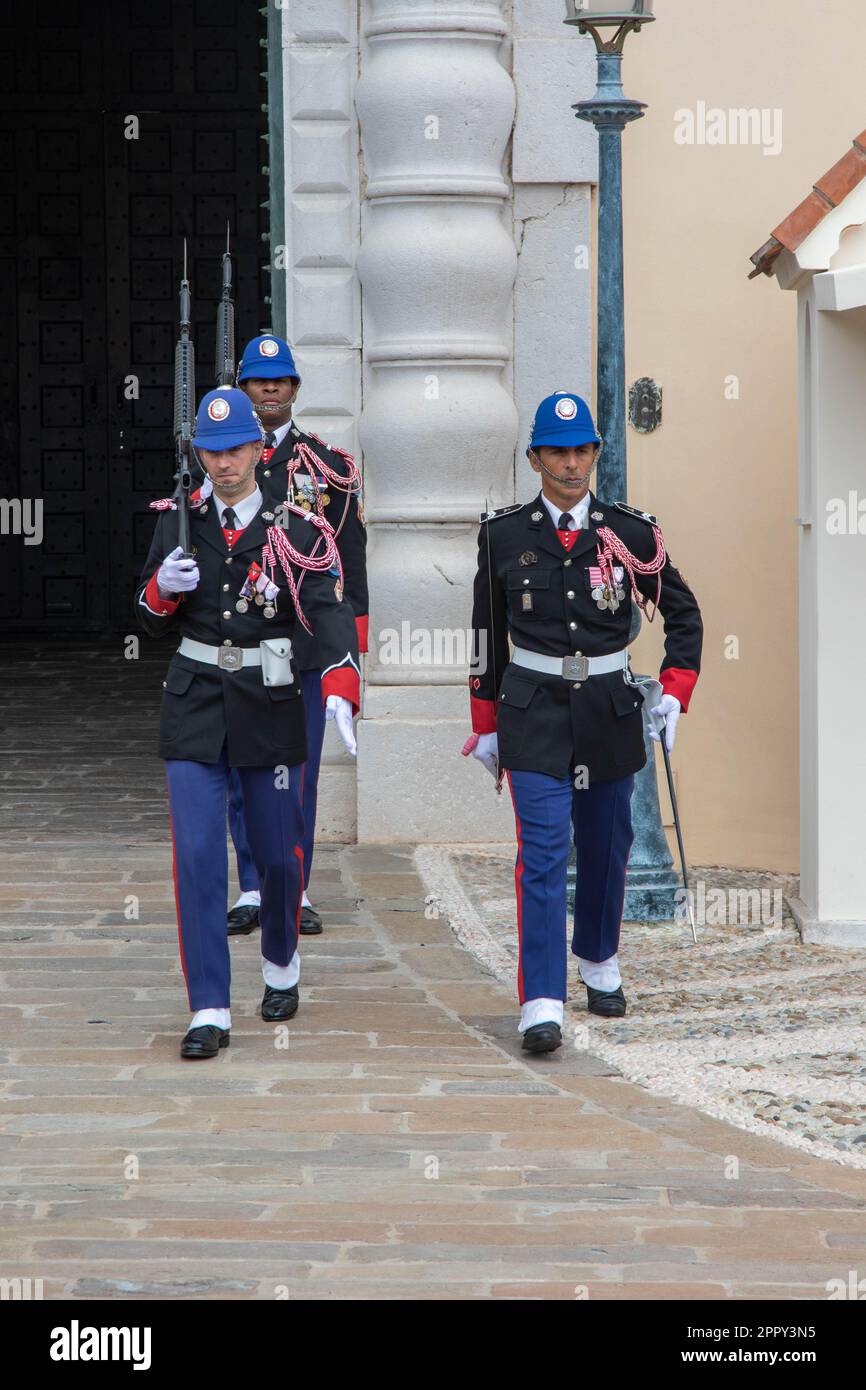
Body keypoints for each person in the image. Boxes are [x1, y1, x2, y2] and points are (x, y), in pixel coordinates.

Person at [464, 391, 702, 1055]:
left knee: (607, 844)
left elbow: (684, 614)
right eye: (557, 451)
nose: (571, 463)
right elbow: (485, 636)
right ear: (535, 456)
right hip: (533, 710)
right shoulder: (502, 535)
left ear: (596, 453)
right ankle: (541, 999)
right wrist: (484, 722)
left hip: (607, 709)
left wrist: (675, 691)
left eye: (582, 450)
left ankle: (599, 960)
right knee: (541, 852)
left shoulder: (630, 534)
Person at [136, 387, 360, 1059]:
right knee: (200, 858)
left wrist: (342, 687)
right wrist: (160, 594)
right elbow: (145, 623)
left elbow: (327, 609)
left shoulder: (296, 528)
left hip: (270, 701)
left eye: (235, 450)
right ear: (198, 453)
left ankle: (281, 961)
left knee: (278, 855)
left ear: (259, 451)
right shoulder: (178, 521)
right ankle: (208, 1007)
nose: (224, 463)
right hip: (197, 700)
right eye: (212, 451)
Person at [224, 334, 369, 939]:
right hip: (241, 639)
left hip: (306, 642)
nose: (269, 389)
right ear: (244, 387)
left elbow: (350, 563)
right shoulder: (221, 458)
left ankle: (296, 885)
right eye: (259, 381)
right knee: (239, 770)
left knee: (297, 773)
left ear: (294, 389)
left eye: (279, 380)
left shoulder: (326, 468)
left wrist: (348, 657)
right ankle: (252, 884)